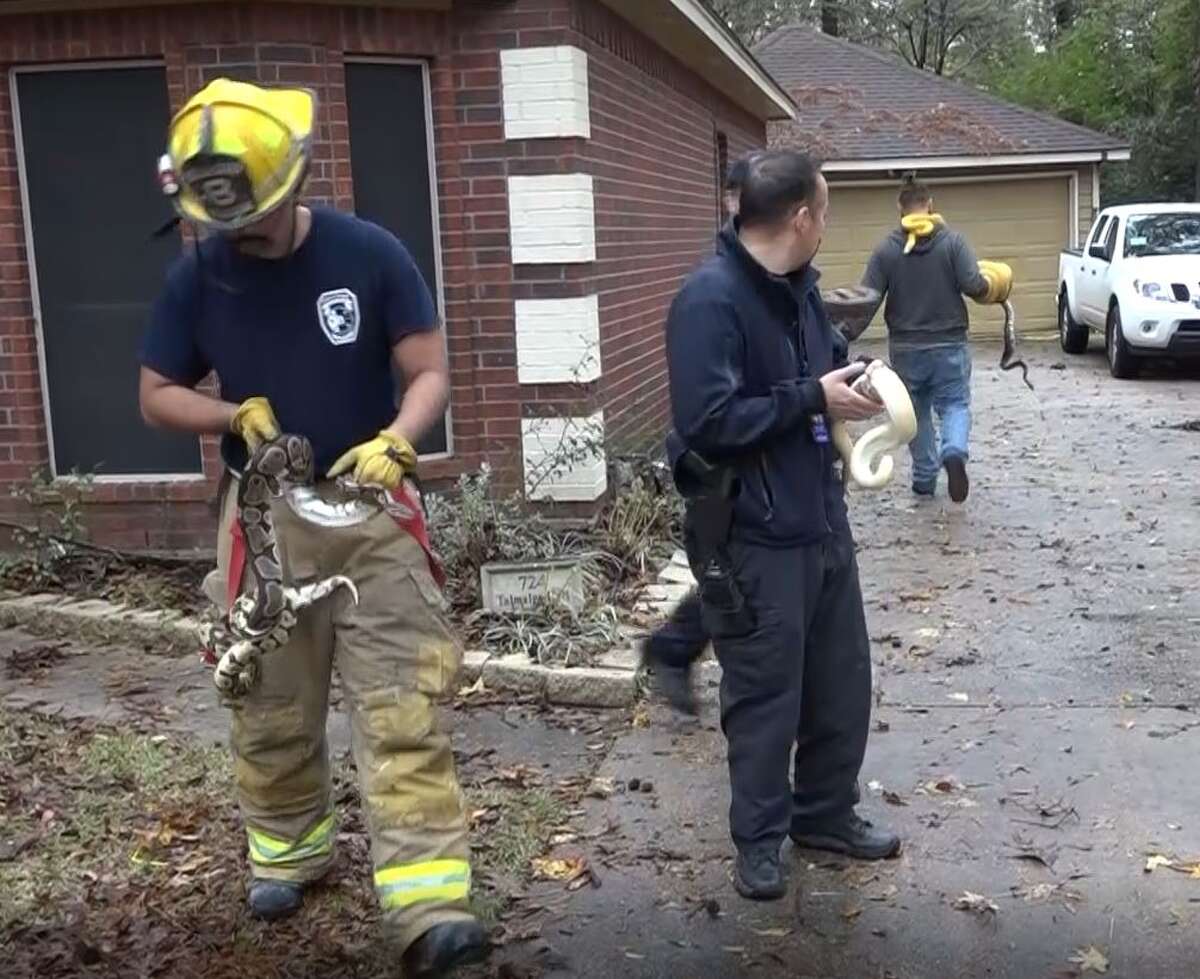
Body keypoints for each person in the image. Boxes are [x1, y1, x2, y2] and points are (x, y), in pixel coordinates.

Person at [137, 78, 489, 978]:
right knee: (270, 700)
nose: (237, 238)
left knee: (404, 701)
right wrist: (227, 417)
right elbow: (154, 396)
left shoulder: (367, 254)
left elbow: (428, 371)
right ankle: (289, 851)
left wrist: (398, 440)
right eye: (225, 224)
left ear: (292, 184)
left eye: (252, 220)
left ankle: (429, 903)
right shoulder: (199, 275)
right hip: (265, 522)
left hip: (371, 512)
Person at [663, 148, 901, 902]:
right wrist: (811, 398)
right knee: (767, 700)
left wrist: (856, 380)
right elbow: (706, 424)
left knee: (841, 682)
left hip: (820, 518)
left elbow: (823, 366)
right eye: (824, 211)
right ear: (800, 217)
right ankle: (759, 842)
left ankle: (826, 813)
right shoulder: (711, 301)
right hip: (755, 533)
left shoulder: (798, 289)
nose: (827, 224)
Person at [640, 153, 757, 716]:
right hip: (722, 463)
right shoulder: (715, 286)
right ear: (731, 200)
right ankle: (671, 649)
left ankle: (672, 649)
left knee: (734, 577)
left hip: (760, 458)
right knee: (732, 577)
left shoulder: (765, 267)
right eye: (742, 194)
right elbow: (708, 405)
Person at [857, 176, 1010, 502]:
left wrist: (841, 335)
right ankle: (953, 451)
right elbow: (974, 285)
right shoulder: (953, 243)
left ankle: (925, 478)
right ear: (931, 205)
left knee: (915, 413)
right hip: (949, 344)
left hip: (906, 348)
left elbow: (867, 298)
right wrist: (994, 286)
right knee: (954, 404)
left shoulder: (886, 249)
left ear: (900, 209)